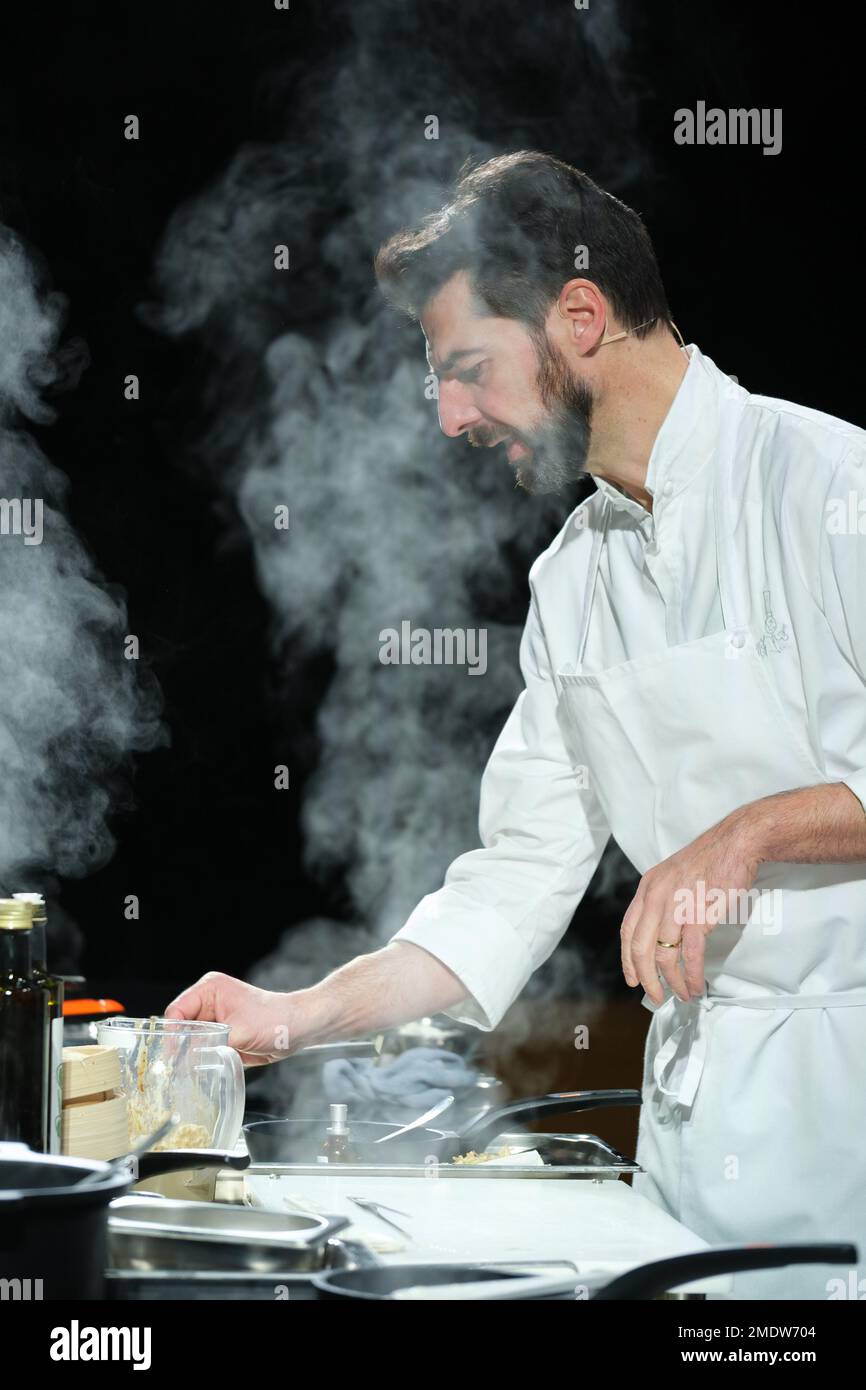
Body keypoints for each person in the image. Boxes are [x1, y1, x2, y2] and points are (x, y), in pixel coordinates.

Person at [168, 151, 866, 1300]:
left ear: (579, 318)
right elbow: (508, 886)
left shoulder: (828, 484)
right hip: (694, 1159)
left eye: (466, 370)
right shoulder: (572, 582)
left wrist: (744, 833)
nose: (448, 418)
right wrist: (295, 1016)